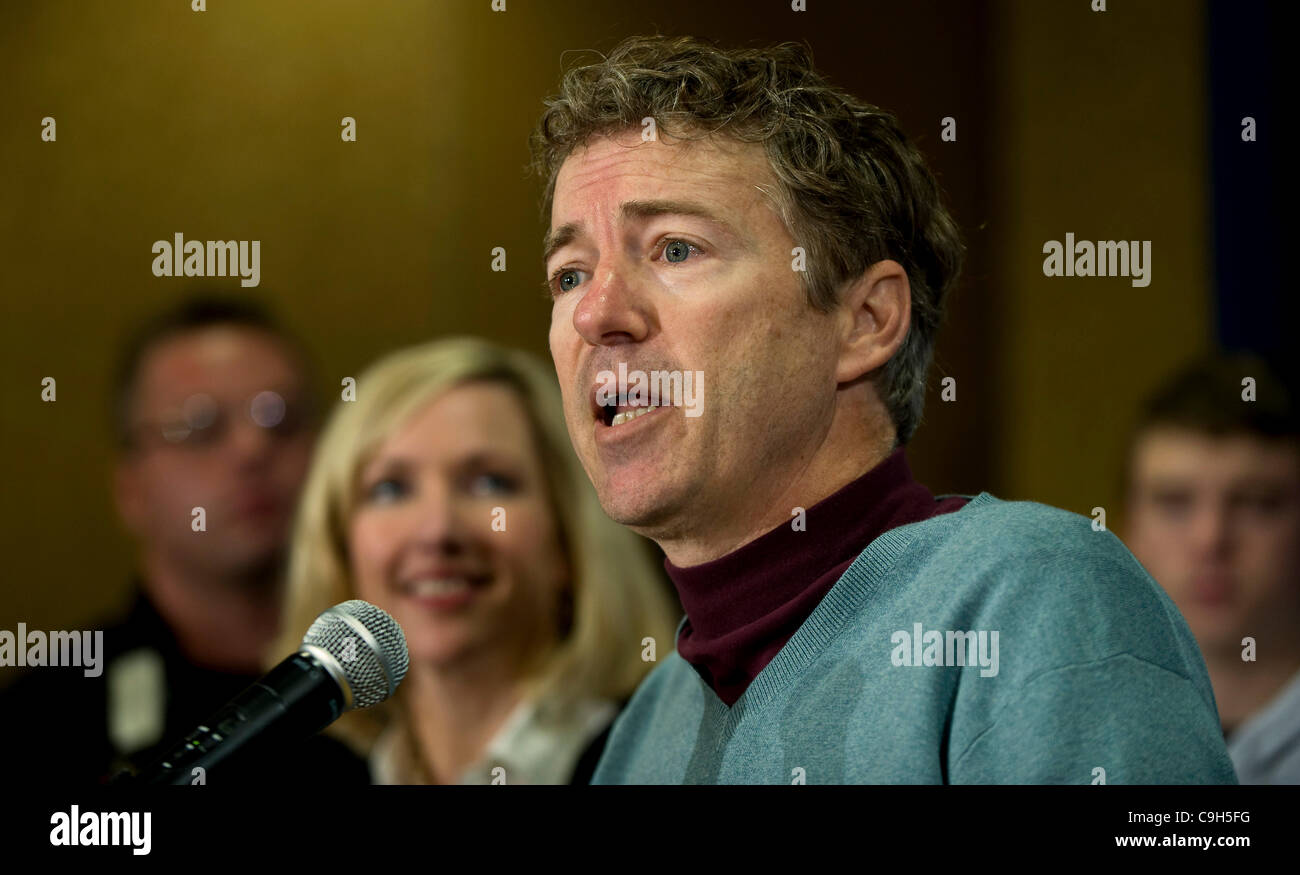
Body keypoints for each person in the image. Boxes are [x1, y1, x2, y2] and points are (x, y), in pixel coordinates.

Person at [530, 34, 1238, 783]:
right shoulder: (647, 727)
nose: (596, 312)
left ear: (865, 321)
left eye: (675, 249)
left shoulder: (1034, 595)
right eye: (569, 273)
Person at [274, 337, 681, 784]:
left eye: (490, 484)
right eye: (391, 489)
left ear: (568, 539)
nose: (437, 530)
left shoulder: (659, 760)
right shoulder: (305, 773)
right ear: (340, 546)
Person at [0, 295, 365, 785]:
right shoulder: (45, 719)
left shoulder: (391, 674)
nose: (252, 450)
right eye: (201, 427)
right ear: (131, 489)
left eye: (281, 419)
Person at [1123, 353, 1300, 783]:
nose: (1210, 539)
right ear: (1128, 530)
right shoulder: (1067, 729)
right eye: (1175, 502)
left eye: (1258, 502)